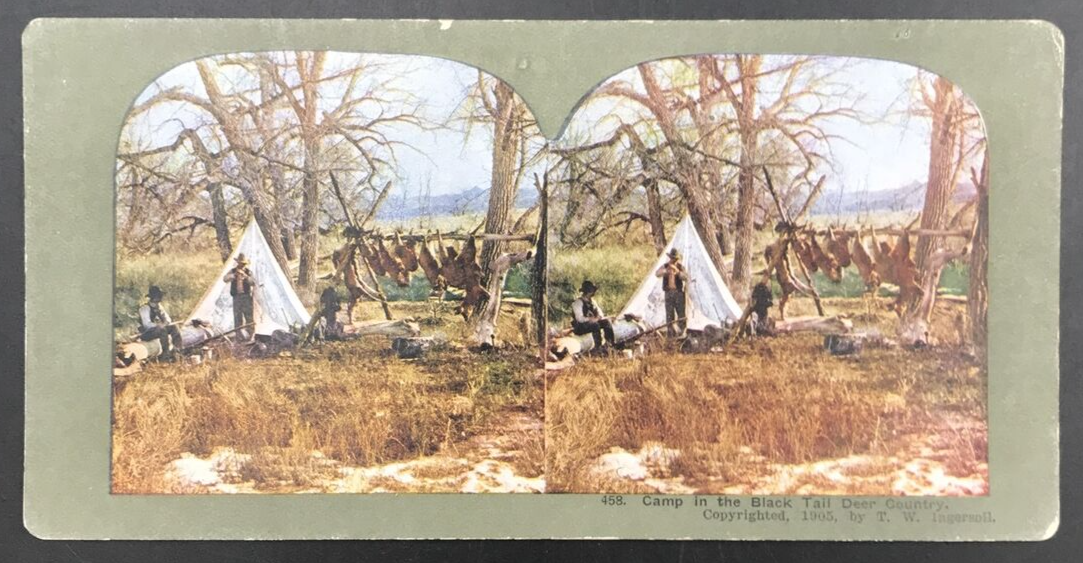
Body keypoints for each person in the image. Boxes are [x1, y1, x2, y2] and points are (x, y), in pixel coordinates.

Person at [138, 285, 183, 359]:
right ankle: (165, 355)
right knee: (162, 330)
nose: (160, 298)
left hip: (159, 329)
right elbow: (146, 324)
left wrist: (165, 323)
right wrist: (158, 325)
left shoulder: (159, 307)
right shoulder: (145, 308)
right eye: (159, 296)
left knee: (174, 327)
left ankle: (177, 351)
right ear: (154, 297)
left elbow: (168, 319)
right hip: (146, 333)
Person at [571, 280, 615, 350]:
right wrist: (591, 320)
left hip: (592, 323)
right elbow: (579, 319)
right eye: (592, 290)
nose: (594, 292)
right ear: (589, 291)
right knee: (595, 325)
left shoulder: (592, 301)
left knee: (606, 322)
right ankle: (598, 347)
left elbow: (600, 312)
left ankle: (610, 344)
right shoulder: (578, 302)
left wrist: (599, 317)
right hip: (580, 326)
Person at [655, 248, 688, 337]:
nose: (674, 260)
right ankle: (671, 334)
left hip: (678, 293)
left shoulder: (680, 267)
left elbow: (685, 277)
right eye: (673, 258)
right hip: (668, 293)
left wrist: (677, 272)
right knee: (669, 315)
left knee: (681, 314)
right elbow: (657, 274)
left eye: (675, 259)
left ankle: (682, 333)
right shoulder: (665, 266)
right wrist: (666, 271)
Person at [223, 253, 256, 336]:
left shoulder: (248, 272)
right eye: (241, 263)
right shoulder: (233, 271)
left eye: (244, 264)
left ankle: (251, 334)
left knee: (249, 316)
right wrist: (234, 275)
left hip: (246, 296)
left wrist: (245, 276)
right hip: (236, 297)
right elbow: (225, 279)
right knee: (237, 317)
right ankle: (239, 335)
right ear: (238, 263)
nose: (242, 265)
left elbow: (253, 282)